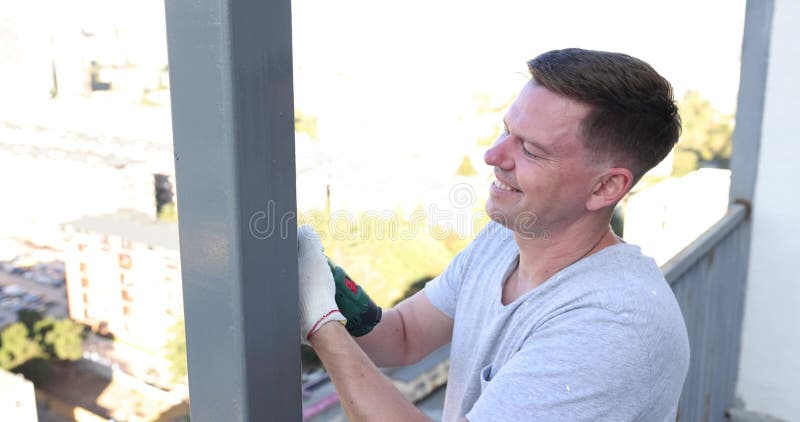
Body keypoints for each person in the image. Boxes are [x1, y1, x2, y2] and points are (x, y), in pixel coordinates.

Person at [297, 48, 690, 422]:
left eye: (531, 151)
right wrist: (319, 277)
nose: (493, 156)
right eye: (506, 131)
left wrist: (322, 324)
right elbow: (402, 336)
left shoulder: (610, 327)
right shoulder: (504, 240)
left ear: (605, 188)